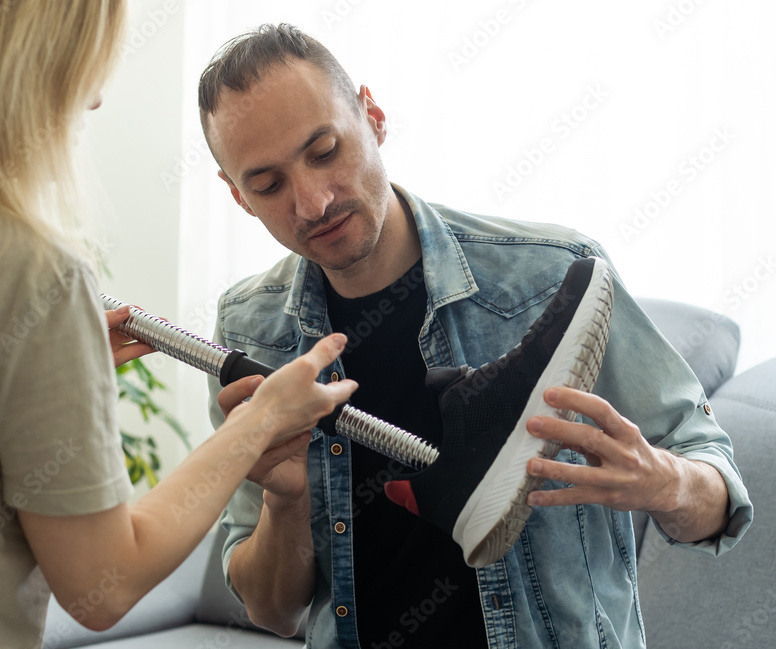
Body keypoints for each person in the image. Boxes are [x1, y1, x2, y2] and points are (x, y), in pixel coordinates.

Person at [0, 5, 358, 649]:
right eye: (84, 54)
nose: (99, 95)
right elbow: (101, 586)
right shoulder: (31, 270)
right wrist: (259, 423)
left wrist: (35, 382)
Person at [199, 23, 753, 649]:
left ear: (373, 117)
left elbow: (717, 497)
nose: (311, 202)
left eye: (325, 151)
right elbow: (273, 612)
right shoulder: (250, 327)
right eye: (268, 185)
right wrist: (286, 502)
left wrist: (667, 482)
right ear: (238, 196)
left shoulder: (555, 278)